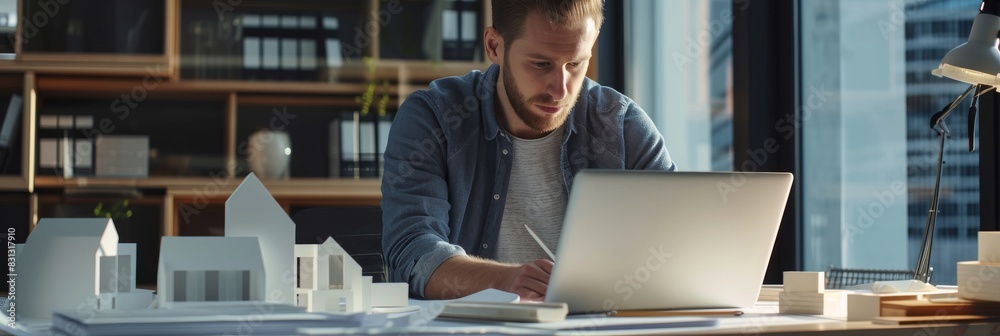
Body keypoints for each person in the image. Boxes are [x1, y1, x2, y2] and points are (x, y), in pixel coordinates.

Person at [381, 0, 675, 301]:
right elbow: (413, 253)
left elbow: (678, 244)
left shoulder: (623, 126)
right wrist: (505, 281)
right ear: (494, 46)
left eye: (575, 64)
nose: (560, 90)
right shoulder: (434, 119)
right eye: (541, 64)